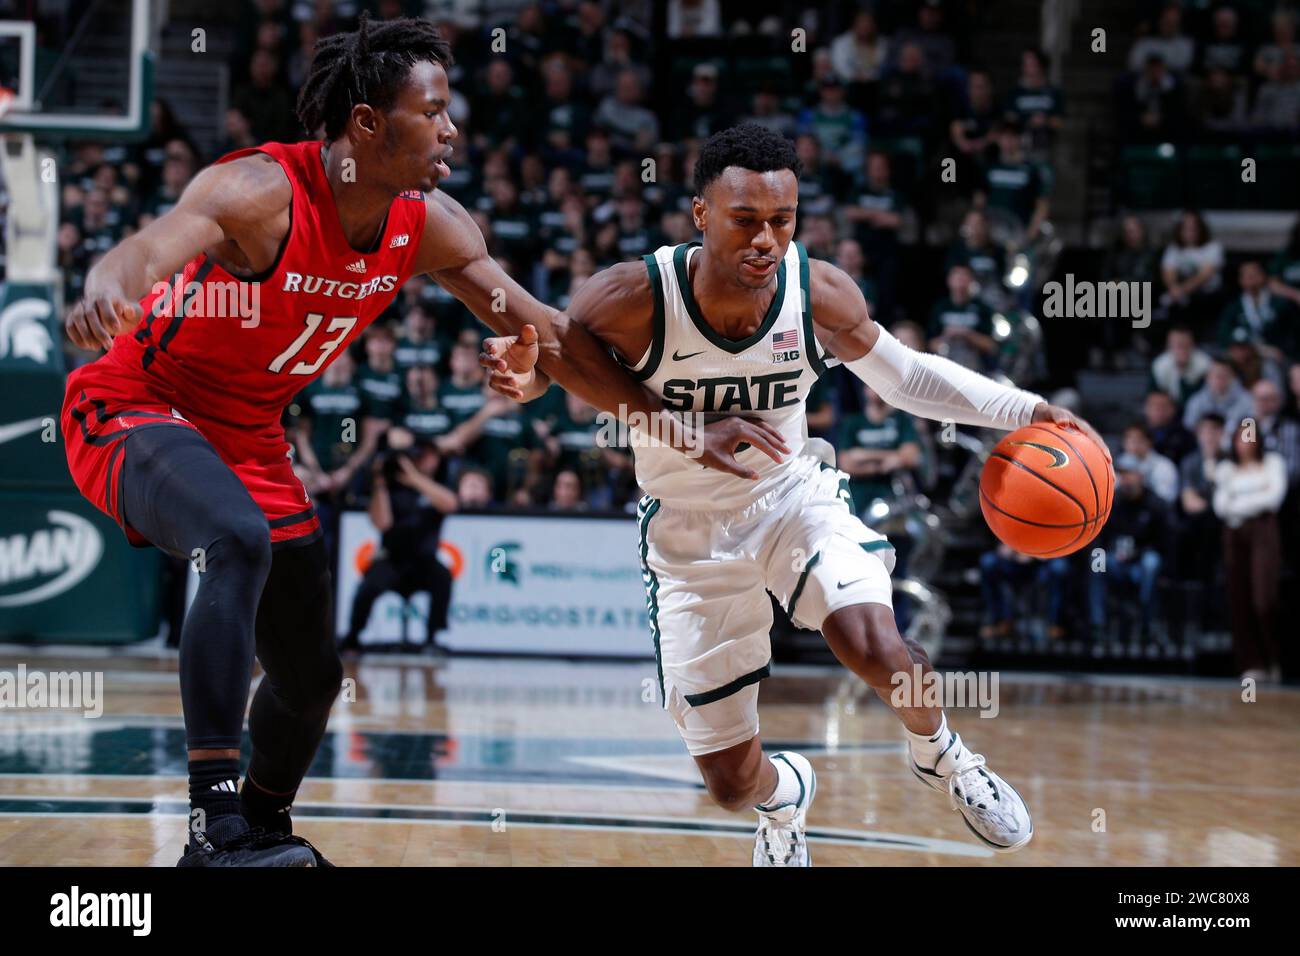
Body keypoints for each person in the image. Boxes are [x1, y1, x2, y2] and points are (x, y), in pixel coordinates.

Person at [60, 16, 764, 868]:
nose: (451, 129)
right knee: (234, 538)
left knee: (311, 680)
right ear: (367, 124)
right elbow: (143, 252)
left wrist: (679, 427)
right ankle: (214, 830)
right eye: (431, 112)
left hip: (250, 440)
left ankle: (261, 830)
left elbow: (550, 336)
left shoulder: (427, 224)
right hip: (133, 406)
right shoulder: (259, 193)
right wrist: (104, 289)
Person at [479, 124, 1108, 865]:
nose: (766, 240)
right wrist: (523, 378)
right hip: (689, 534)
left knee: (876, 644)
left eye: (783, 221)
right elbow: (556, 366)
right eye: (745, 219)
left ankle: (944, 755)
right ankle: (783, 800)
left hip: (793, 500)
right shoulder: (631, 296)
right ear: (701, 213)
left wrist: (1026, 410)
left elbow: (905, 377)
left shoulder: (818, 292)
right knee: (729, 783)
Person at [342, 436, 457, 652]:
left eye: (430, 455)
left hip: (424, 561)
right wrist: (380, 483)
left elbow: (450, 504)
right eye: (421, 455)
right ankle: (353, 636)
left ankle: (432, 638)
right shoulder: (392, 488)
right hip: (392, 558)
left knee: (443, 577)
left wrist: (415, 478)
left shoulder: (437, 486)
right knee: (369, 586)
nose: (426, 459)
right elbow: (382, 523)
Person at [1213, 421, 1287, 681]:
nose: (1245, 443)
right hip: (1234, 535)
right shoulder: (1226, 469)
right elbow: (1221, 506)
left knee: (1263, 598)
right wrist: (1253, 500)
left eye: (1249, 437)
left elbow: (1273, 498)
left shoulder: (1273, 463)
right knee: (1239, 597)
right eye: (1240, 438)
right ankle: (1252, 663)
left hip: (1263, 532)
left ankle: (1275, 658)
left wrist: (1239, 503)